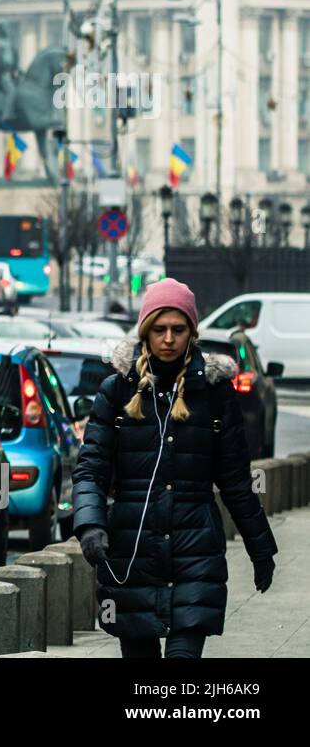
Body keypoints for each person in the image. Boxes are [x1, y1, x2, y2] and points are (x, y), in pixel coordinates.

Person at [71, 278, 277, 658]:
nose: (168, 339)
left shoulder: (214, 394)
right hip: (131, 549)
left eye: (178, 330)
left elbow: (235, 481)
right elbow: (90, 469)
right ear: (146, 332)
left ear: (192, 333)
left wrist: (261, 549)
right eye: (159, 329)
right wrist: (90, 525)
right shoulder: (117, 392)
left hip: (195, 549)